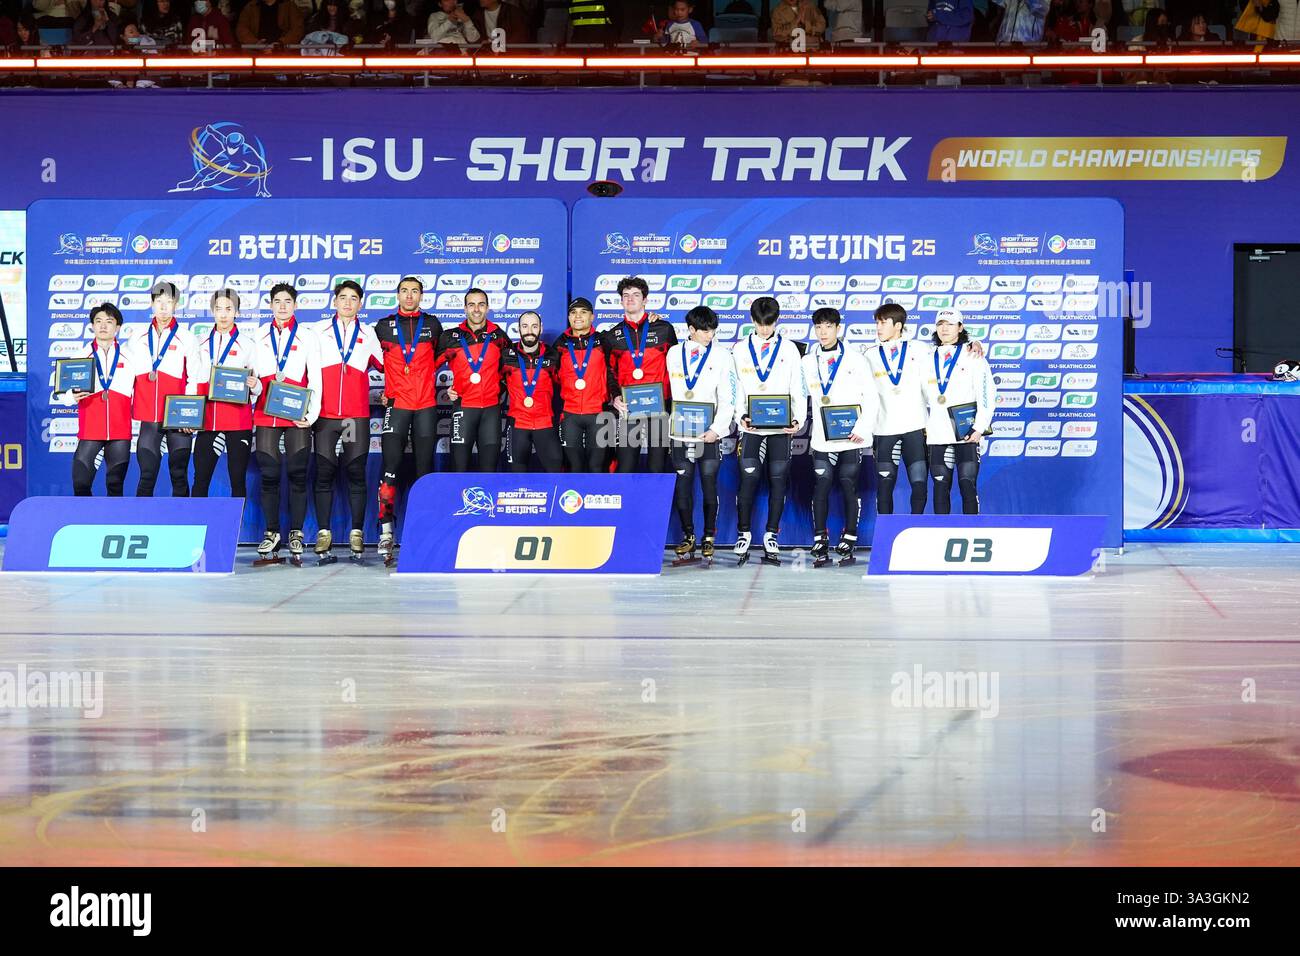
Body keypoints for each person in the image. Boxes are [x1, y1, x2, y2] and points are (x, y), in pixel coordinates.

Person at [731, 296, 807, 566]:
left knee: (778, 478)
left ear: (777, 321)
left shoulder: (789, 349)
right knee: (748, 479)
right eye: (760, 324)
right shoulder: (740, 349)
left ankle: (771, 534)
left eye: (769, 324)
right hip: (751, 426)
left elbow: (798, 387)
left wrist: (797, 420)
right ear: (752, 321)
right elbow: (736, 387)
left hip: (780, 426)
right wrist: (740, 415)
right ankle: (743, 533)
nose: (764, 329)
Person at [311, 280, 384, 562]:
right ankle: (323, 532)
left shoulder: (368, 333)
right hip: (326, 416)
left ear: (361, 304)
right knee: (324, 473)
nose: (348, 303)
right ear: (335, 301)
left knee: (356, 473)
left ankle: (357, 532)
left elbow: (386, 365)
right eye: (343, 298)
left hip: (355, 417)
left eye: (354, 298)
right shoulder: (317, 331)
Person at [373, 276, 442, 562]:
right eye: (405, 291)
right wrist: (387, 391)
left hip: (425, 404)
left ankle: (422, 531)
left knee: (424, 473)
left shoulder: (433, 325)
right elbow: (374, 359)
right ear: (398, 295)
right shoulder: (383, 326)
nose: (409, 296)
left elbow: (438, 358)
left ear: (422, 295)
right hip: (397, 405)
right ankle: (386, 534)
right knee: (390, 470)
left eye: (415, 291)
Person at [251, 283, 323, 562]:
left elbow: (315, 376)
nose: (282, 306)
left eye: (287, 301)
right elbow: (254, 378)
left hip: (296, 413)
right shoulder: (258, 336)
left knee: (297, 472)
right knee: (268, 473)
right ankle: (272, 532)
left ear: (295, 305)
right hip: (266, 411)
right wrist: (255, 386)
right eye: (277, 301)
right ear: (270, 305)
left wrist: (313, 413)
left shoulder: (307, 336)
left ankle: (296, 532)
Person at [801, 308, 877, 567]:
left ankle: (850, 536)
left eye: (828, 327)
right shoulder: (807, 361)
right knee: (821, 484)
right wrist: (796, 421)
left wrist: (863, 427)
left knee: (847, 483)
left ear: (838, 329)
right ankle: (820, 538)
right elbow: (801, 397)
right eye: (819, 327)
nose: (823, 332)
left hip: (851, 435)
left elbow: (871, 396)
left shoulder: (856, 359)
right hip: (822, 436)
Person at [665, 306, 735, 563]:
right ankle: (688, 536)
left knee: (708, 484)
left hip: (709, 432)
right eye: (705, 330)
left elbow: (729, 397)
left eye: (713, 330)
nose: (710, 335)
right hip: (680, 431)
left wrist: (717, 429)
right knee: (683, 486)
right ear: (691, 330)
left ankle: (708, 537)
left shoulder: (723, 356)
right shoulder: (673, 353)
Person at [128, 281, 199, 498]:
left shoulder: (187, 337)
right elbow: (127, 377)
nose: (164, 307)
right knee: (147, 474)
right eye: (159, 302)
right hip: (149, 418)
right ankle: (141, 523)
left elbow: (194, 378)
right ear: (151, 303)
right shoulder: (137, 337)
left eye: (169, 302)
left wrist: (189, 417)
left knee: (179, 474)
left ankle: (182, 524)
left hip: (177, 418)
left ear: (176, 305)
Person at [923, 310, 996, 515]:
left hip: (967, 432)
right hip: (938, 434)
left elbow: (987, 394)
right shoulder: (926, 357)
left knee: (967, 484)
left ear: (960, 328)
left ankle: (972, 532)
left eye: (950, 324)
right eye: (940, 324)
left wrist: (979, 427)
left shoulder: (973, 355)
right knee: (940, 487)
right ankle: (939, 536)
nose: (944, 328)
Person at [603, 276, 678, 474]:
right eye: (625, 295)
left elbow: (677, 367)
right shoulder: (612, 335)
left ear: (645, 299)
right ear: (620, 300)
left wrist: (673, 403)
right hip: (630, 406)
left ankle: (654, 506)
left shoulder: (664, 329)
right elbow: (609, 371)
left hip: (659, 406)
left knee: (657, 466)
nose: (630, 299)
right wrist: (615, 396)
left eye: (636, 295)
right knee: (626, 465)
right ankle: (627, 505)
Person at [192, 289, 261, 499]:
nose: (223, 314)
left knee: (237, 479)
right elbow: (193, 379)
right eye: (219, 309)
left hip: (238, 422)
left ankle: (236, 531)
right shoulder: (199, 341)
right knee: (200, 479)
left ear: (237, 312)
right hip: (208, 420)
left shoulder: (248, 345)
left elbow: (257, 387)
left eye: (228, 309)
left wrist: (254, 384)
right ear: (212, 311)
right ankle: (197, 526)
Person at [436, 288, 511, 472]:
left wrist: (498, 390)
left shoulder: (499, 337)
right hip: (463, 408)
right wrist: (448, 390)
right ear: (464, 308)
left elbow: (512, 372)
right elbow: (425, 368)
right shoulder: (450, 337)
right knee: (459, 468)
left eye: (481, 304)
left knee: (489, 470)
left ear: (487, 308)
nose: (476, 309)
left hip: (491, 411)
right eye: (471, 305)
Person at [63, 304, 134, 497]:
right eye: (98, 321)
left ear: (118, 327)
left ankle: (114, 523)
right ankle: (85, 523)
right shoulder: (79, 356)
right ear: (92, 326)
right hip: (90, 431)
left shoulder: (131, 357)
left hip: (120, 431)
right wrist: (71, 396)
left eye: (109, 322)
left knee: (115, 485)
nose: (103, 326)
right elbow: (60, 392)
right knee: (81, 483)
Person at [867, 303, 931, 517]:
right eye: (877, 322)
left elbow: (948, 356)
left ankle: (917, 530)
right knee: (885, 486)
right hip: (884, 430)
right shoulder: (870, 355)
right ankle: (886, 535)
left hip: (915, 427)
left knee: (920, 483)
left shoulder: (919, 349)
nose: (878, 327)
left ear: (898, 325)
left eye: (883, 322)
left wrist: (974, 344)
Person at [552, 297, 610, 473]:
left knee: (597, 466)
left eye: (583, 312)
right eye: (573, 312)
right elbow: (551, 376)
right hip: (570, 414)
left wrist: (652, 321)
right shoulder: (560, 344)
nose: (577, 316)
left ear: (592, 317)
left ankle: (596, 498)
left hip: (598, 413)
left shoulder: (603, 341)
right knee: (573, 467)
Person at [501, 311, 563, 473]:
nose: (529, 330)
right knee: (517, 476)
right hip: (518, 423)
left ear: (540, 328)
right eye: (525, 326)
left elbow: (565, 383)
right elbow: (489, 381)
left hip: (545, 422)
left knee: (556, 474)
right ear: (519, 329)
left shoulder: (553, 355)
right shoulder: (507, 355)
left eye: (534, 326)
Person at [236, 0, 306, 46]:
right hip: (255, 53)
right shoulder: (250, 7)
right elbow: (241, 29)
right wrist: (256, 43)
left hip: (284, 52)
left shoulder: (289, 5)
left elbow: (297, 29)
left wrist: (281, 43)